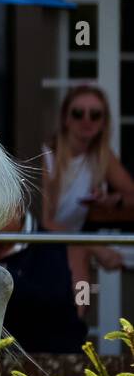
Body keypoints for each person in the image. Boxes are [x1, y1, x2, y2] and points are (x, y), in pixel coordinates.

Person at [39, 84, 133, 317]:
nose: (87, 120)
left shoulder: (100, 156)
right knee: (79, 252)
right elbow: (45, 222)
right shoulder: (48, 155)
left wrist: (113, 201)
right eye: (78, 113)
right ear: (66, 119)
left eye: (95, 114)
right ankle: (76, 326)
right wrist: (94, 246)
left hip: (75, 239)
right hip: (39, 240)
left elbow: (131, 196)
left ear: (103, 122)